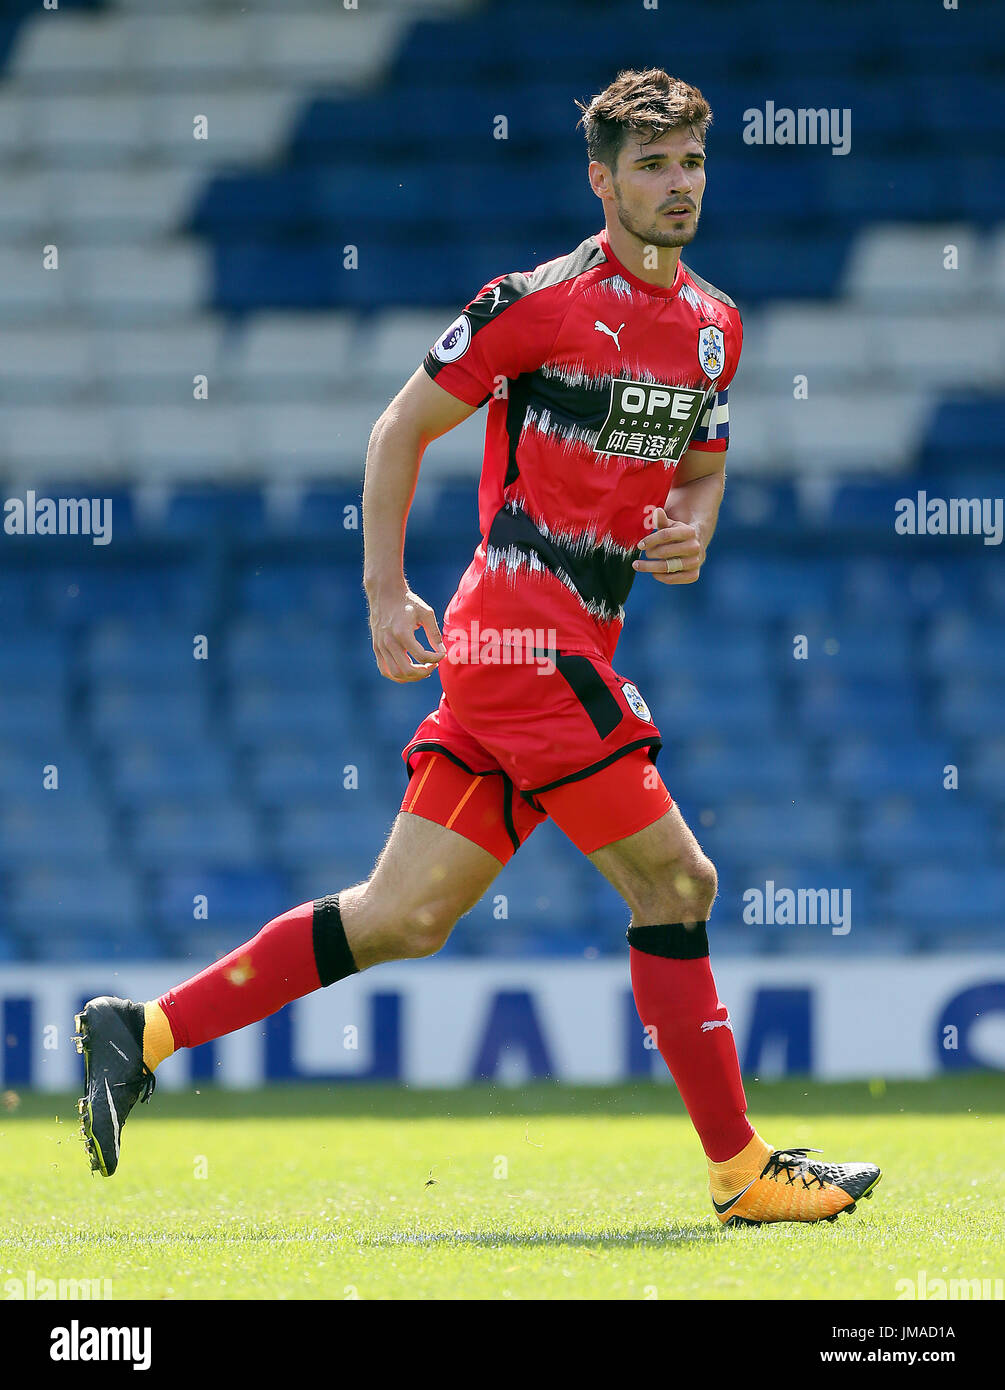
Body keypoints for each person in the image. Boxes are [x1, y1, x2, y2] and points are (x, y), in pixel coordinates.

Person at [76, 68, 879, 1226]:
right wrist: (383, 589)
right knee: (678, 879)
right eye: (651, 166)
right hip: (523, 645)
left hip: (550, 653)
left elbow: (702, 469)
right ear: (600, 180)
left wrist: (691, 533)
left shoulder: (715, 330)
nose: (677, 185)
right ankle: (742, 1171)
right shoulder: (535, 302)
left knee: (403, 916)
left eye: (692, 162)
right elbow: (399, 426)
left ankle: (140, 1030)